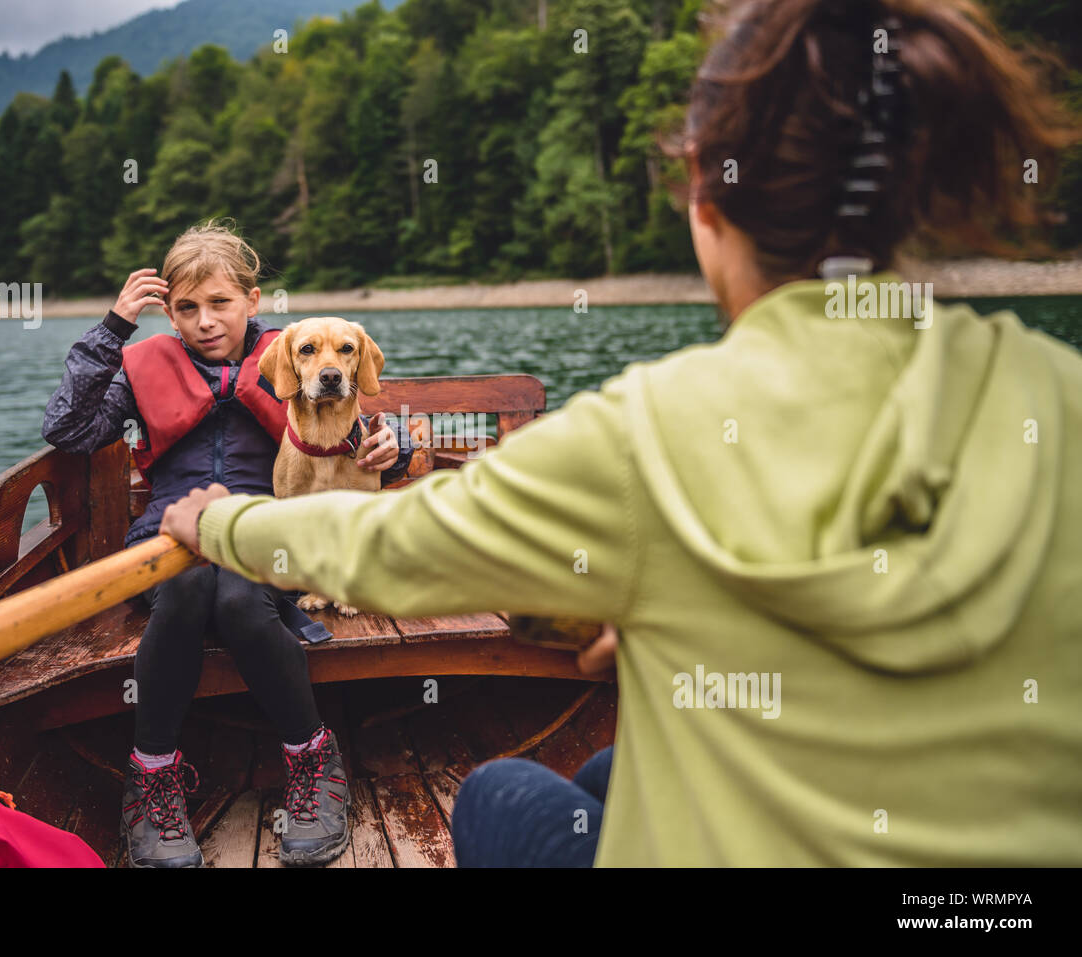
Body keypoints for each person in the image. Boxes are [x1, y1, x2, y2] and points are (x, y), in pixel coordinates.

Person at [159, 0, 1082, 867]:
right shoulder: (1059, 390)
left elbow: (385, 548)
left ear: (702, 201)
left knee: (497, 796)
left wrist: (217, 524)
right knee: (602, 775)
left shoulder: (650, 429)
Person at [42, 221, 412, 867]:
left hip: (264, 526)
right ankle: (153, 773)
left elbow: (360, 426)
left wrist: (398, 447)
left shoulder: (297, 354)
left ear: (252, 301)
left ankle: (313, 760)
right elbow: (69, 430)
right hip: (167, 531)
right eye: (186, 308)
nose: (205, 321)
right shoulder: (143, 367)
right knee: (187, 588)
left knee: (240, 600)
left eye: (220, 303)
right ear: (169, 312)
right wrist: (111, 330)